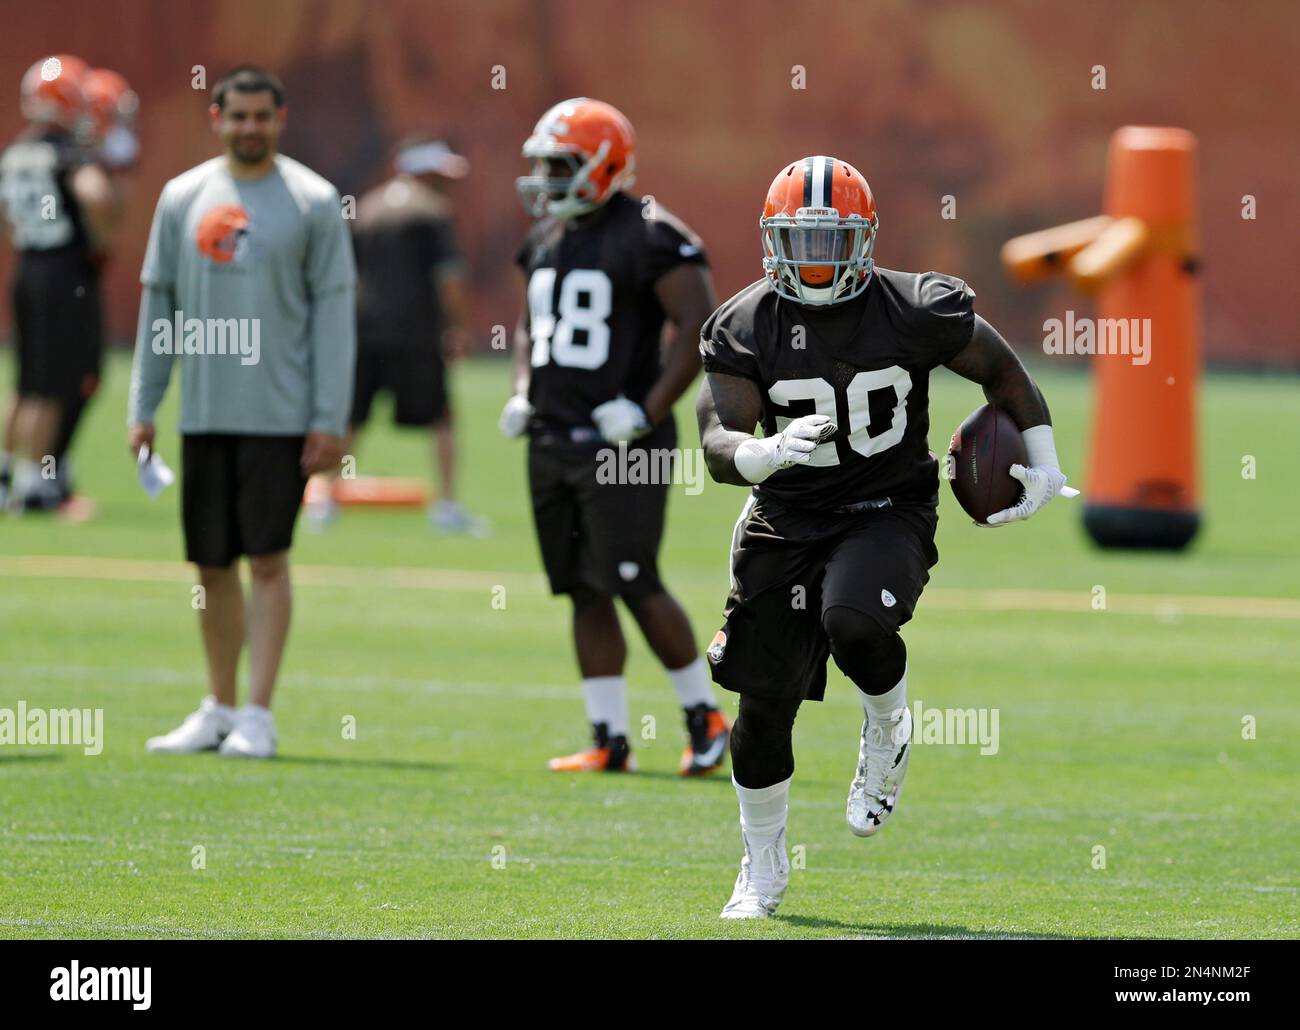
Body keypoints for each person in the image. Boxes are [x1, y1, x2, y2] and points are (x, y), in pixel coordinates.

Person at [697, 155, 1077, 917]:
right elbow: (715, 437)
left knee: (852, 619)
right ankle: (763, 865)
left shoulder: (916, 307)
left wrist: (1044, 465)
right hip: (786, 518)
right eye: (799, 242)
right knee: (764, 708)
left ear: (863, 241)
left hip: (885, 507)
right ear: (771, 242)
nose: (814, 260)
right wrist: (760, 453)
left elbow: (1003, 373)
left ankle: (887, 724)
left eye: (831, 241)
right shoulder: (744, 324)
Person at [128, 66, 356, 758]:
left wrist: (328, 415)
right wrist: (145, 404)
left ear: (280, 119)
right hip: (203, 413)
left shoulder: (313, 201)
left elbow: (334, 313)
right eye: (238, 116)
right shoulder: (182, 196)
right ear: (216, 118)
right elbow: (156, 302)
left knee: (268, 560)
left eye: (262, 116)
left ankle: (259, 713)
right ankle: (218, 706)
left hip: (281, 416)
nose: (250, 128)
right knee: (211, 567)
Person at [503, 97, 730, 775]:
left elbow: (697, 326)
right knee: (582, 588)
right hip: (552, 438)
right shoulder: (547, 237)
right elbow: (528, 326)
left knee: (633, 577)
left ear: (606, 165)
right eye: (543, 163)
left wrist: (648, 408)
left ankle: (706, 717)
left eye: (562, 163)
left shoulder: (652, 232)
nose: (547, 176)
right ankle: (609, 737)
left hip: (623, 446)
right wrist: (521, 389)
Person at [307, 134, 481, 533]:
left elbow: (343, 275)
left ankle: (324, 500)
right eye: (439, 173)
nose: (446, 182)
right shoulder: (434, 211)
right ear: (421, 172)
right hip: (416, 334)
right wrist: (458, 328)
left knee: (349, 417)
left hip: (363, 330)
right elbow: (449, 279)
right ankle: (448, 506)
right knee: (441, 417)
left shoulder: (366, 207)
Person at [0, 54, 115, 513]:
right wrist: (100, 241)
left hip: (27, 266)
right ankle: (37, 485)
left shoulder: (15, 153)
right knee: (51, 385)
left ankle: (6, 473)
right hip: (62, 273)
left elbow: (7, 217)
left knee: (25, 382)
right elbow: (96, 194)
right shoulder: (65, 154)